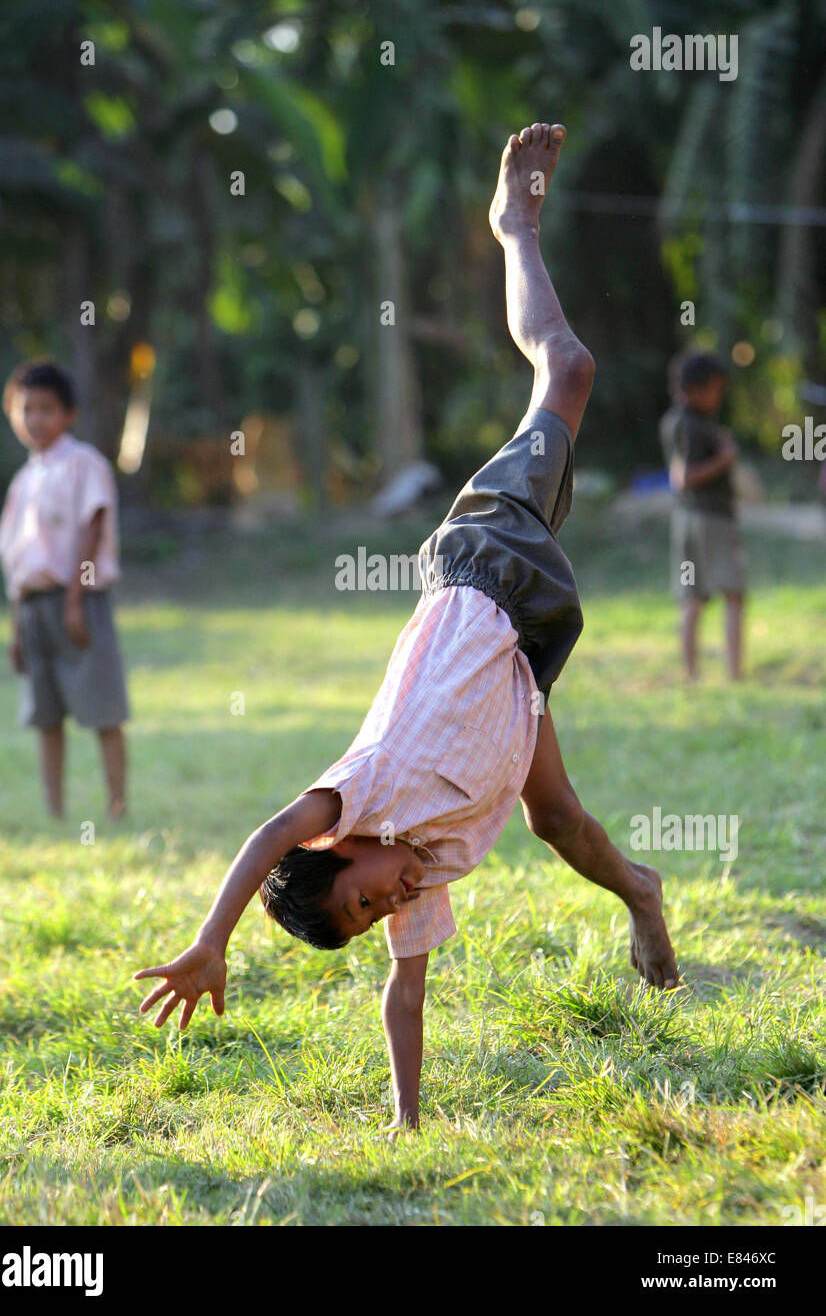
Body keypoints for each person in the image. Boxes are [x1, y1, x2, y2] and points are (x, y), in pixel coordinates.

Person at [136, 123, 679, 1131]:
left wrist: (211, 939)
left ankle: (512, 227)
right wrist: (405, 1122)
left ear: (342, 848)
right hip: (520, 666)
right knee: (556, 823)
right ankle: (641, 895)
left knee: (566, 366)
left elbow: (265, 837)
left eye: (360, 896)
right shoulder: (419, 875)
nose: (383, 904)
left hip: (484, 571)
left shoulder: (359, 791)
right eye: (370, 917)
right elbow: (406, 996)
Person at [0, 360, 129, 818]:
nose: (35, 419)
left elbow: (93, 528)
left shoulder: (83, 463)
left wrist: (75, 600)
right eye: (25, 409)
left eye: (46, 409)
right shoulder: (23, 481)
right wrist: (15, 629)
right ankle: (56, 811)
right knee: (46, 716)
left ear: (68, 413)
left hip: (80, 601)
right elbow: (15, 561)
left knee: (102, 706)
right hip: (33, 608)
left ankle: (116, 805)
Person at [659, 352, 746, 681]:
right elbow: (683, 477)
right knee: (734, 593)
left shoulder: (675, 422)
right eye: (715, 389)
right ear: (694, 389)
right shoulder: (691, 424)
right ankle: (735, 675)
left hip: (686, 518)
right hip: (712, 519)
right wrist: (724, 459)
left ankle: (691, 675)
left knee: (692, 598)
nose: (718, 396)